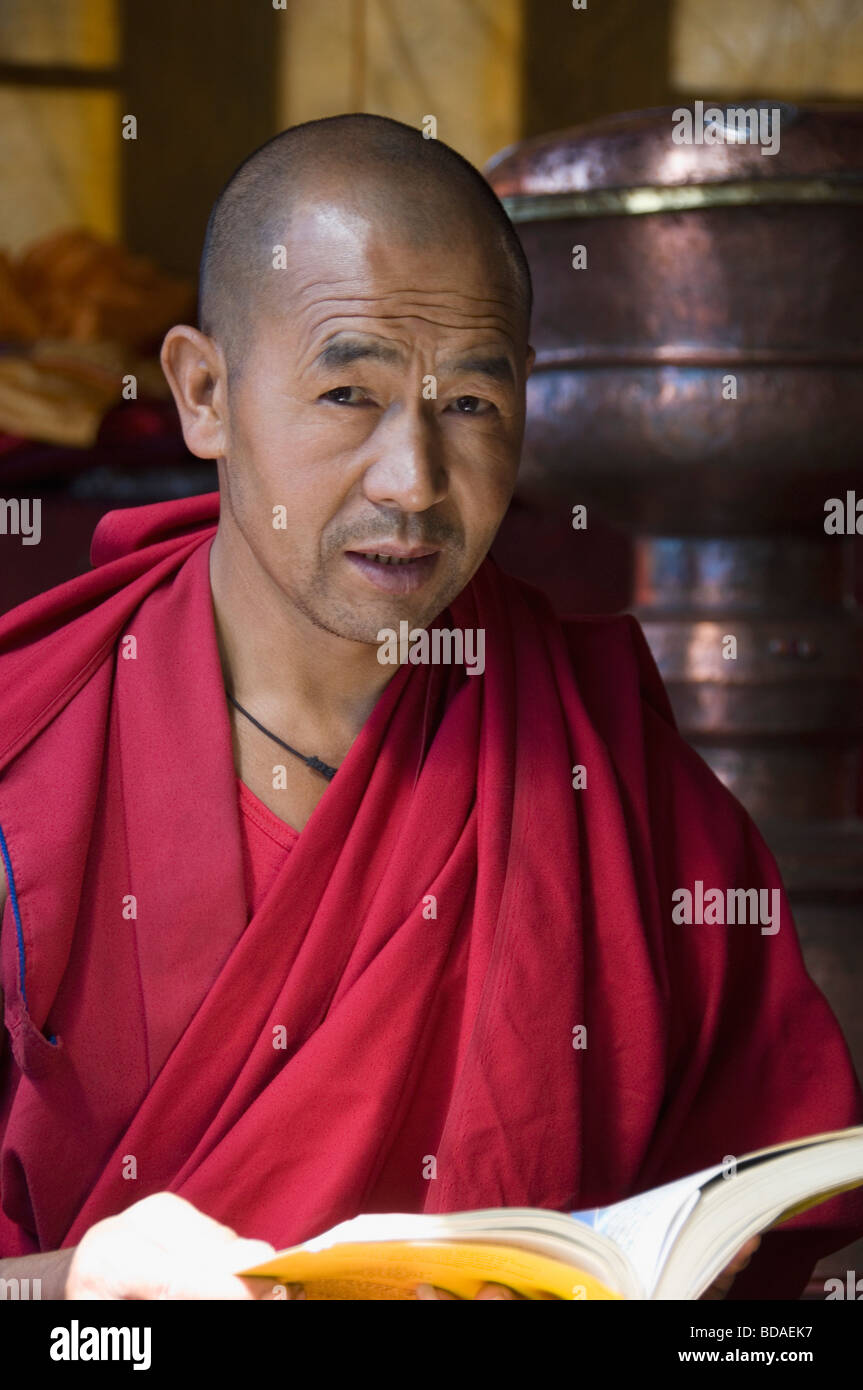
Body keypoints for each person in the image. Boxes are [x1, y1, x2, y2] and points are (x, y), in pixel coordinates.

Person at [0, 114, 860, 1302]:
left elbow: (780, 1215)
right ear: (203, 394)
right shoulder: (31, 745)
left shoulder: (593, 750)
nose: (412, 480)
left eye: (468, 403)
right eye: (348, 390)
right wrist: (72, 1288)